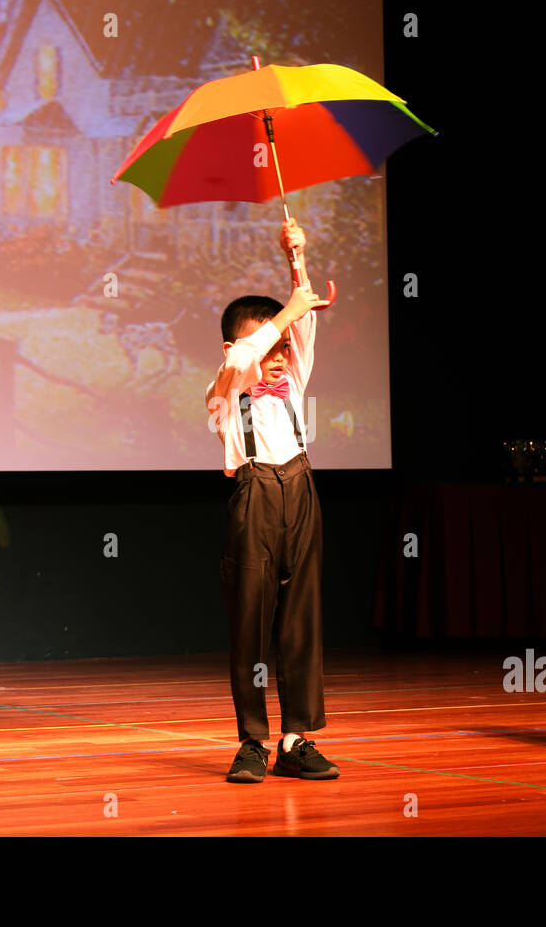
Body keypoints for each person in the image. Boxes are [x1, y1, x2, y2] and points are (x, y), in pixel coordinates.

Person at [206, 220, 336, 783]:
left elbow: (303, 322)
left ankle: (296, 738)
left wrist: (297, 259)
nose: (281, 354)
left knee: (301, 618)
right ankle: (253, 742)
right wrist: (282, 313)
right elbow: (244, 361)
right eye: (271, 345)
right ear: (233, 344)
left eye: (285, 347)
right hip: (253, 494)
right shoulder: (222, 389)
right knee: (251, 623)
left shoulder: (293, 377)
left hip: (300, 489)